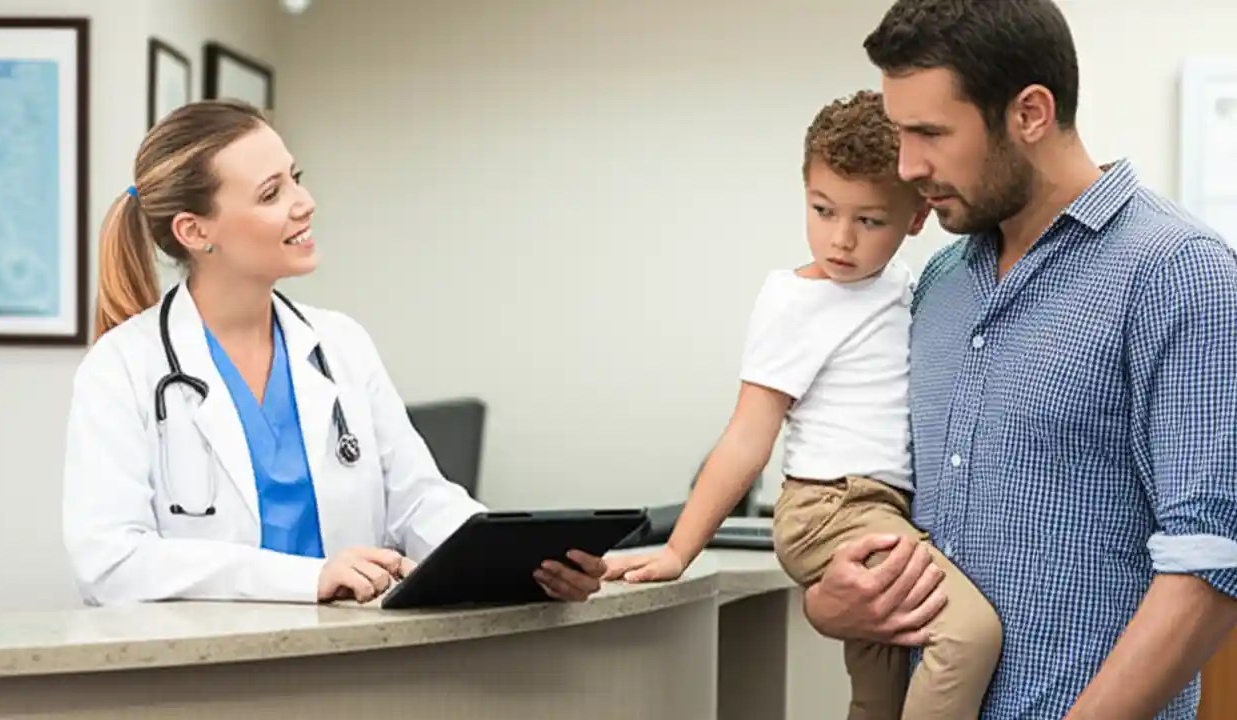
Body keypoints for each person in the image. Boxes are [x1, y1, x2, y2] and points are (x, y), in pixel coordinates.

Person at [802, 2, 1237, 718]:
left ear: (1030, 113)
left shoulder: (1179, 274)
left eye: (930, 134)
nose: (907, 166)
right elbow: (888, 503)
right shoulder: (939, 284)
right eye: (900, 133)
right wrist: (829, 602)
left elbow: (1212, 559)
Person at [61, 99, 607, 606]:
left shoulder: (339, 343)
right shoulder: (122, 368)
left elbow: (418, 500)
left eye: (295, 179)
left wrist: (524, 562)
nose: (305, 203)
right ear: (194, 230)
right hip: (208, 668)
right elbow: (110, 563)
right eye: (271, 193)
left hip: (346, 658)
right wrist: (308, 578)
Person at [603, 90, 1002, 719]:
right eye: (822, 210)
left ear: (917, 216)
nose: (840, 239)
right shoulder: (792, 301)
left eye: (869, 220)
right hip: (831, 506)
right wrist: (679, 549)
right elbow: (747, 435)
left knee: (881, 691)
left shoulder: (908, 287)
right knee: (967, 636)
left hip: (885, 507)